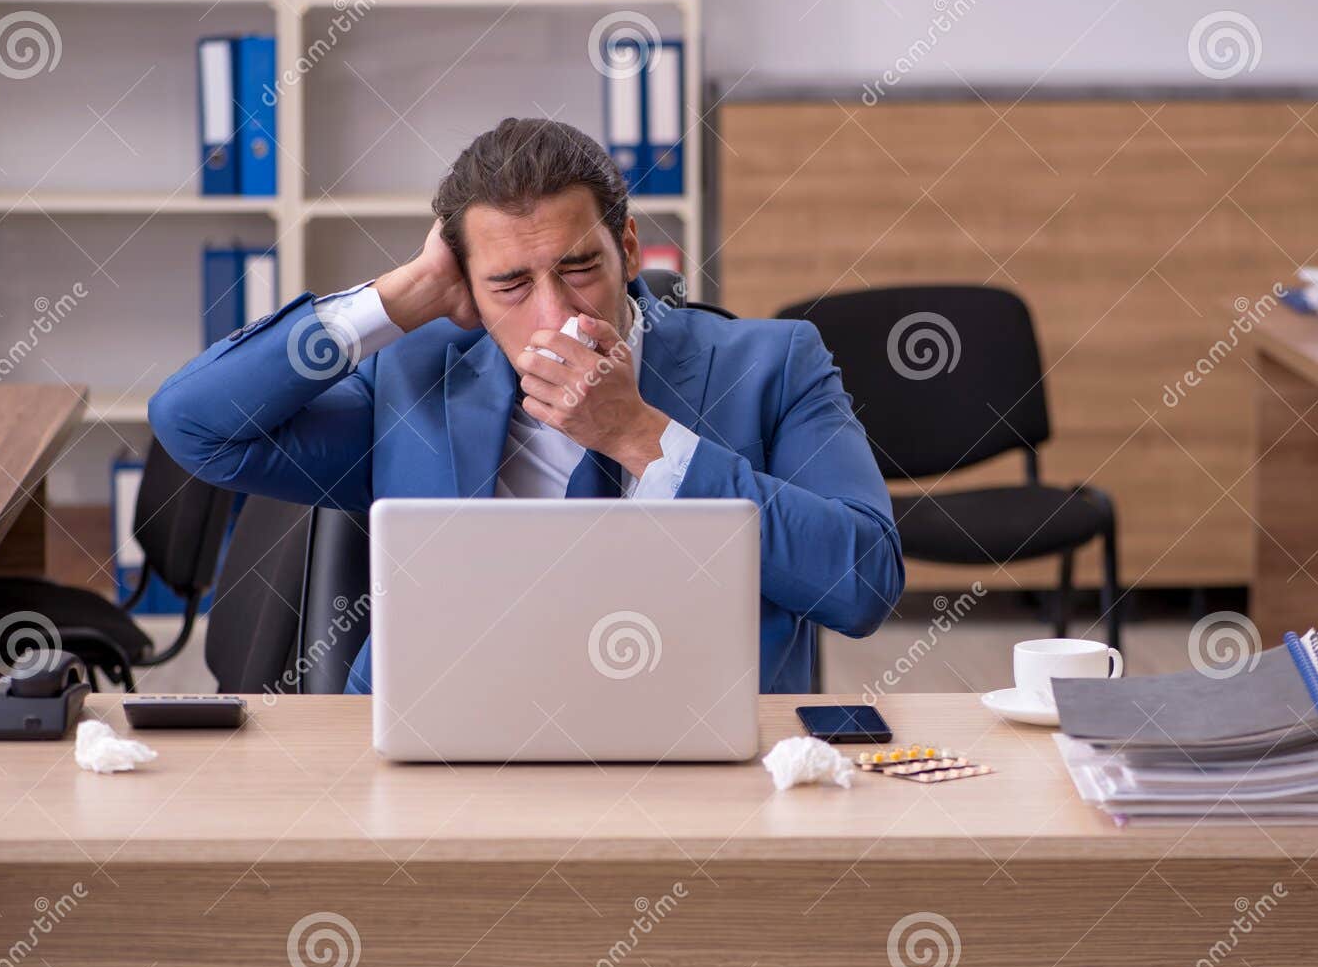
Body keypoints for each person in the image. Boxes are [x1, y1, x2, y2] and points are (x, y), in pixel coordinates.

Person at [150, 117, 903, 693]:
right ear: (466, 287)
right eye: (510, 284)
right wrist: (402, 297)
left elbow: (864, 583)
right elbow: (195, 425)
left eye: (579, 268)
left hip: (700, 750)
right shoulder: (413, 381)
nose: (554, 315)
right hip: (447, 745)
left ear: (629, 249)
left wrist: (641, 438)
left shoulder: (773, 363)